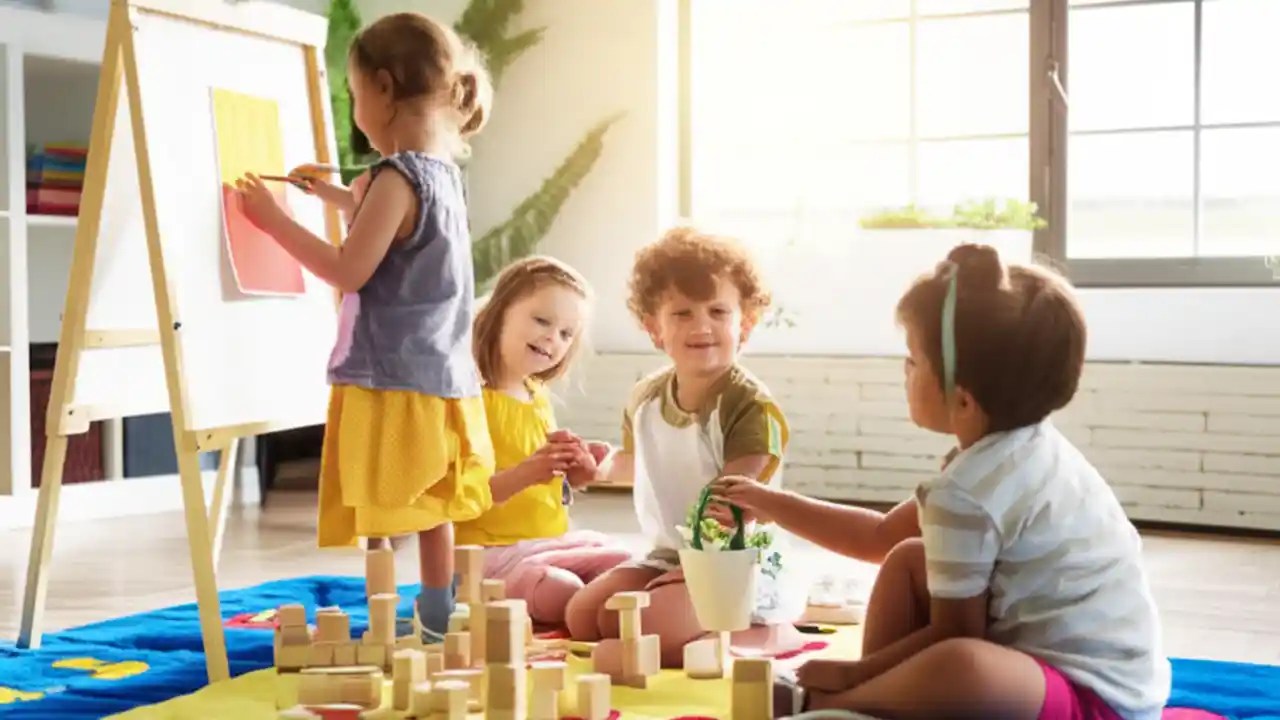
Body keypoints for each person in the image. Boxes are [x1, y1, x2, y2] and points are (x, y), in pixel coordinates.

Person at [713, 244, 1172, 719]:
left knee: (963, 665)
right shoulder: (1024, 447)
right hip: (1063, 680)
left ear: (964, 401)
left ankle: (839, 704)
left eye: (913, 361)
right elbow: (880, 537)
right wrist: (769, 502)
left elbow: (957, 638)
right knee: (910, 559)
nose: (904, 372)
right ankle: (871, 699)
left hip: (1089, 703)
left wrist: (855, 673)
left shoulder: (970, 492)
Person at [230, 12, 496, 642]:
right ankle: (435, 615)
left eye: (353, 96)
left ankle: (382, 618)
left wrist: (272, 220)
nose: (355, 111)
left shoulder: (395, 177)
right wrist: (331, 198)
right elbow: (394, 227)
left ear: (382, 88)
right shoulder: (441, 177)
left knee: (381, 509)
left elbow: (348, 268)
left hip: (388, 375)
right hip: (439, 374)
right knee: (433, 508)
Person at [564, 226, 809, 667]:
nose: (702, 326)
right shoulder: (645, 398)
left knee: (646, 630)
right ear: (653, 328)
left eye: (718, 311)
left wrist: (696, 574)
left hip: (736, 562)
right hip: (668, 555)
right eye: (682, 313)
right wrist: (593, 471)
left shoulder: (749, 405)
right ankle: (697, 620)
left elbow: (736, 500)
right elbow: (634, 464)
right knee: (584, 616)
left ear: (745, 324)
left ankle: (766, 628)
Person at [453, 256, 631, 626]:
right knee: (558, 590)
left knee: (628, 564)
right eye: (542, 321)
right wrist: (531, 470)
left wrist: (577, 472)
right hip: (487, 555)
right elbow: (458, 499)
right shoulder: (468, 401)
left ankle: (591, 602)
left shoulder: (536, 394)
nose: (554, 338)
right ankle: (583, 605)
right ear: (499, 312)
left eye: (567, 333)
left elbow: (550, 489)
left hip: (549, 544)